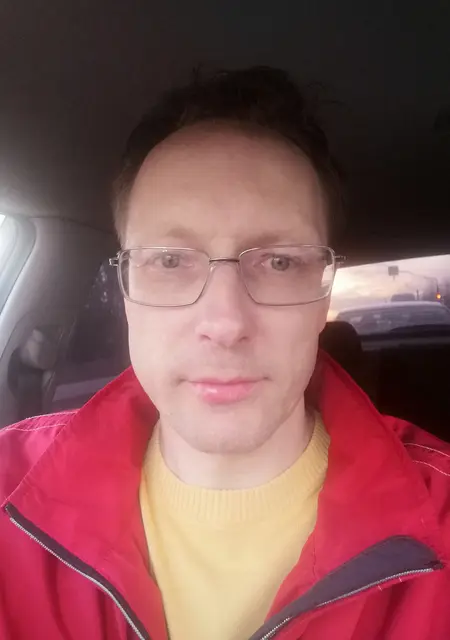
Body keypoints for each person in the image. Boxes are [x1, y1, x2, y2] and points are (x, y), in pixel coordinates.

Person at [0, 67, 449, 640]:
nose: (226, 323)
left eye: (280, 262)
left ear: (323, 300)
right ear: (127, 295)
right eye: (169, 261)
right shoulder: (9, 490)